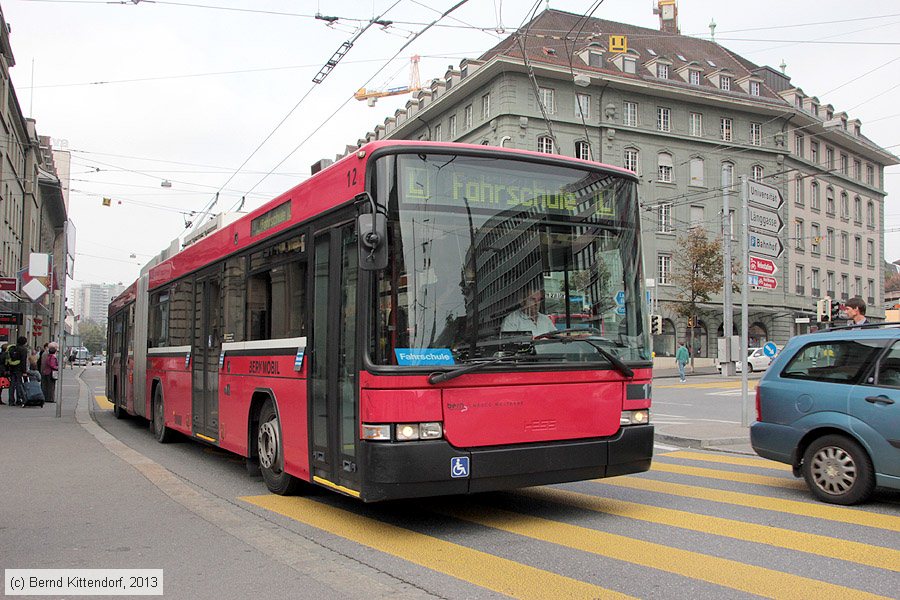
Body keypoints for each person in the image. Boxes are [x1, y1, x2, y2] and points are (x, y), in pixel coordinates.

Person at [6, 336, 29, 406]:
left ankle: (11, 400)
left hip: (12, 368)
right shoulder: (23, 350)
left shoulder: (12, 348)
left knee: (12, 385)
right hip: (19, 369)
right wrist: (24, 372)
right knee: (19, 385)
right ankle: (19, 399)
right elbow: (23, 361)